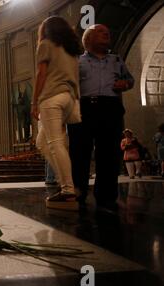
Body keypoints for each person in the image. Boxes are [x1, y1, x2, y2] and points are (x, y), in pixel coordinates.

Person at [67, 24, 134, 213]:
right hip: (84, 108)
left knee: (110, 153)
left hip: (110, 108)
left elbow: (130, 80)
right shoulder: (77, 62)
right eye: (100, 32)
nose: (106, 33)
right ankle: (78, 191)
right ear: (87, 40)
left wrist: (125, 83)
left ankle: (106, 196)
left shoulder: (117, 60)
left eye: (107, 32)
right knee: (79, 151)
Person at [31, 16, 82, 211]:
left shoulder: (45, 44)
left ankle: (68, 190)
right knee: (42, 142)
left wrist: (34, 102)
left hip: (51, 97)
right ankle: (66, 182)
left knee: (55, 143)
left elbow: (41, 74)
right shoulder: (71, 50)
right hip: (69, 98)